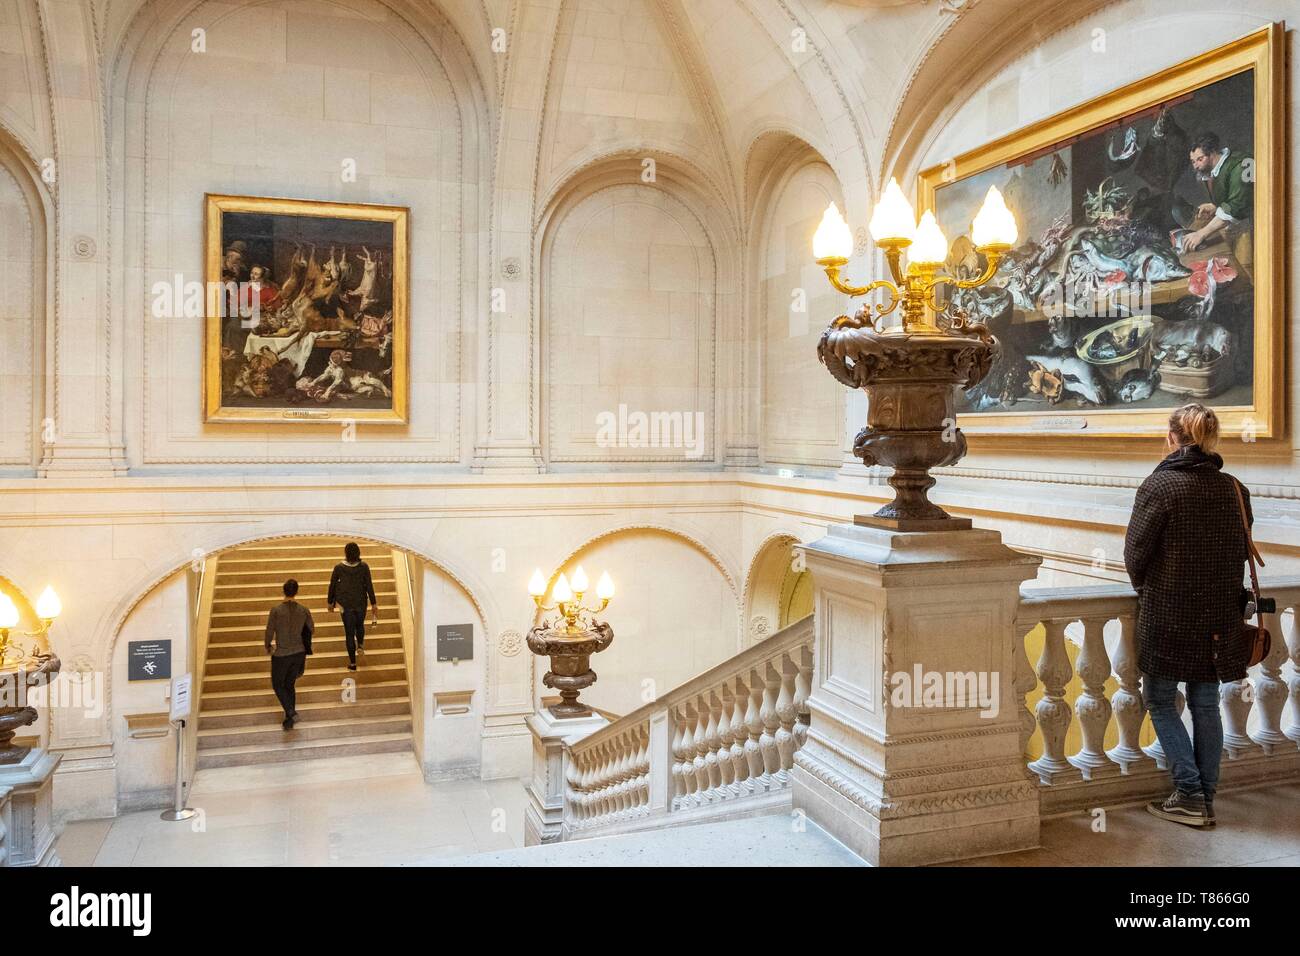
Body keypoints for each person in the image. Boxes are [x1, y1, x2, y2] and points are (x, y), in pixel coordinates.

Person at [1124, 403, 1252, 829]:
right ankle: (1207, 797)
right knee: (1205, 704)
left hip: (1168, 614)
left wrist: (1149, 588)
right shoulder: (1234, 488)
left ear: (1172, 436)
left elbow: (1135, 556)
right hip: (1219, 616)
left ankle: (1190, 793)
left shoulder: (1160, 487)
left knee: (1160, 700)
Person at [265, 578, 314, 730]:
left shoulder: (276, 610)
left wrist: (268, 645)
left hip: (282, 654)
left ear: (283, 591)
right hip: (299, 653)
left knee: (277, 684)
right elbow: (312, 628)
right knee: (289, 684)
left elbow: (269, 630)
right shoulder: (304, 610)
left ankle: (291, 712)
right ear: (296, 591)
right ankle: (289, 720)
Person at [328, 541, 378, 671]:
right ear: (358, 553)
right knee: (359, 625)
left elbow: (332, 585)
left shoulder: (339, 567)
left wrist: (330, 602)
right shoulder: (364, 567)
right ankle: (360, 645)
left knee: (349, 633)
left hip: (346, 605)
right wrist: (374, 603)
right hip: (361, 602)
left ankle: (353, 663)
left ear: (346, 553)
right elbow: (369, 585)